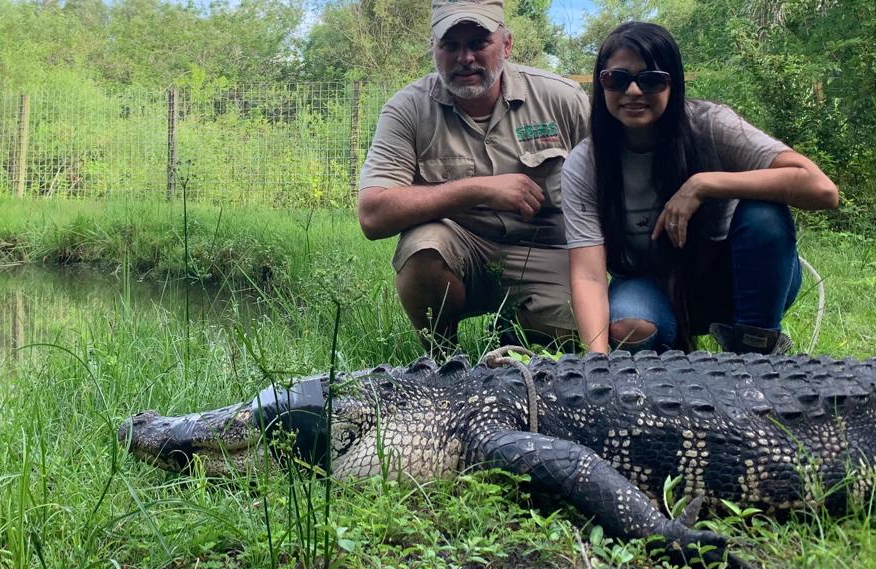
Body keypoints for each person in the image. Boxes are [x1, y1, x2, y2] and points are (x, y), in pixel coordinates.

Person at [561, 22, 838, 355]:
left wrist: (704, 184)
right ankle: (669, 358)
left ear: (673, 84)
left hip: (734, 279)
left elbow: (822, 190)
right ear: (601, 84)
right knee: (629, 326)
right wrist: (596, 361)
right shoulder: (585, 163)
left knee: (764, 212)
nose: (633, 91)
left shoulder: (711, 125)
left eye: (651, 79)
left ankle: (756, 355)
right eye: (616, 79)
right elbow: (589, 276)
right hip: (649, 284)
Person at [357, 0, 590, 356]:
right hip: (462, 248)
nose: (465, 58)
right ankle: (443, 363)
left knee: (586, 333)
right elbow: (372, 214)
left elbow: (609, 187)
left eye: (479, 44)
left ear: (506, 45)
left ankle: (516, 330)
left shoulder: (562, 99)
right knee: (424, 248)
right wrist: (478, 189)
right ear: (434, 49)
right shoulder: (407, 109)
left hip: (545, 250)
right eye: (450, 45)